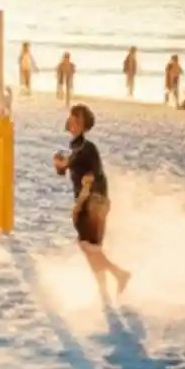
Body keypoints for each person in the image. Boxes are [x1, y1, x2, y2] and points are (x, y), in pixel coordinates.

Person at [53, 103, 131, 300]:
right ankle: (105, 292)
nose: (72, 122)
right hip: (92, 202)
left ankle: (119, 274)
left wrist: (79, 205)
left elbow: (90, 178)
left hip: (94, 202)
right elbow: (66, 169)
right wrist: (60, 165)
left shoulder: (87, 149)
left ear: (84, 125)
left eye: (77, 120)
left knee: (88, 247)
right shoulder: (77, 149)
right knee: (93, 250)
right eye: (71, 118)